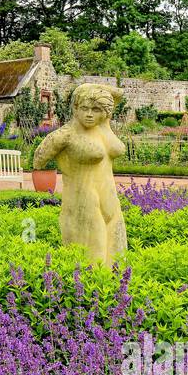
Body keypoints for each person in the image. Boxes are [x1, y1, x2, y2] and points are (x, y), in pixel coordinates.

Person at [32, 83, 127, 264]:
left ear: (105, 112)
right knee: (92, 267)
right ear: (75, 108)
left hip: (112, 205)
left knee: (118, 267)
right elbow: (38, 159)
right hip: (83, 206)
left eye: (96, 109)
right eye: (84, 108)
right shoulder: (66, 134)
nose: (89, 114)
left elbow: (118, 95)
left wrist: (94, 88)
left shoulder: (103, 127)